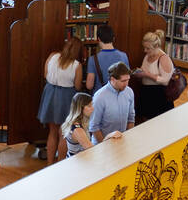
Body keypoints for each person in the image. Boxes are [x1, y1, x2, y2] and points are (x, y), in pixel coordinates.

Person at [37, 37, 83, 165]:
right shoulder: (76, 65)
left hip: (50, 93)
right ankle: (60, 164)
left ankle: (49, 163)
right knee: (64, 132)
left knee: (52, 132)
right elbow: (78, 86)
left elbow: (45, 75)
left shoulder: (52, 56)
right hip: (66, 97)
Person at [132, 30, 176, 122]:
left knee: (157, 122)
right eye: (144, 48)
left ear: (156, 47)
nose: (145, 51)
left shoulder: (164, 59)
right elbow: (144, 70)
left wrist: (147, 74)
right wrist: (139, 74)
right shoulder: (147, 56)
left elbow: (165, 81)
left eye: (148, 48)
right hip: (146, 93)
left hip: (159, 95)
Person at [89, 62, 135, 142]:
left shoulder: (129, 92)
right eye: (123, 81)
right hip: (102, 145)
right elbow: (94, 127)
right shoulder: (99, 97)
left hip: (122, 142)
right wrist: (104, 145)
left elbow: (131, 118)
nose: (126, 84)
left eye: (128, 80)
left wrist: (129, 139)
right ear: (112, 79)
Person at [85, 24, 129, 92]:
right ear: (113, 38)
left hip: (99, 97)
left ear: (98, 39)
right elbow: (126, 81)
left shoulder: (93, 59)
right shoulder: (123, 56)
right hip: (118, 96)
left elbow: (89, 86)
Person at [61, 92, 94, 158]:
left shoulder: (82, 121)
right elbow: (92, 150)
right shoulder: (77, 129)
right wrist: (107, 138)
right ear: (80, 108)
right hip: (77, 164)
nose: (92, 108)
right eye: (89, 106)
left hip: (80, 160)